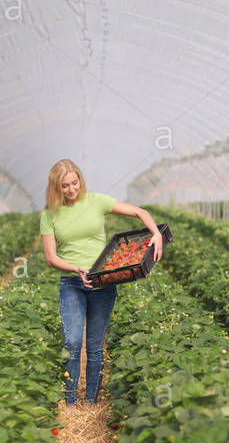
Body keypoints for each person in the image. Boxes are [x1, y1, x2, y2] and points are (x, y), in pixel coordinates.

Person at [39, 159, 163, 407]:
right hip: (72, 283)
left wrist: (156, 233)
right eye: (65, 186)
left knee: (95, 344)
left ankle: (92, 400)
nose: (72, 189)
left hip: (103, 281)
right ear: (56, 188)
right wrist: (76, 268)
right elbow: (51, 258)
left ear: (80, 180)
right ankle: (71, 400)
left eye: (75, 183)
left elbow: (140, 212)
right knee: (73, 342)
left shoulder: (97, 201)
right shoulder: (49, 214)